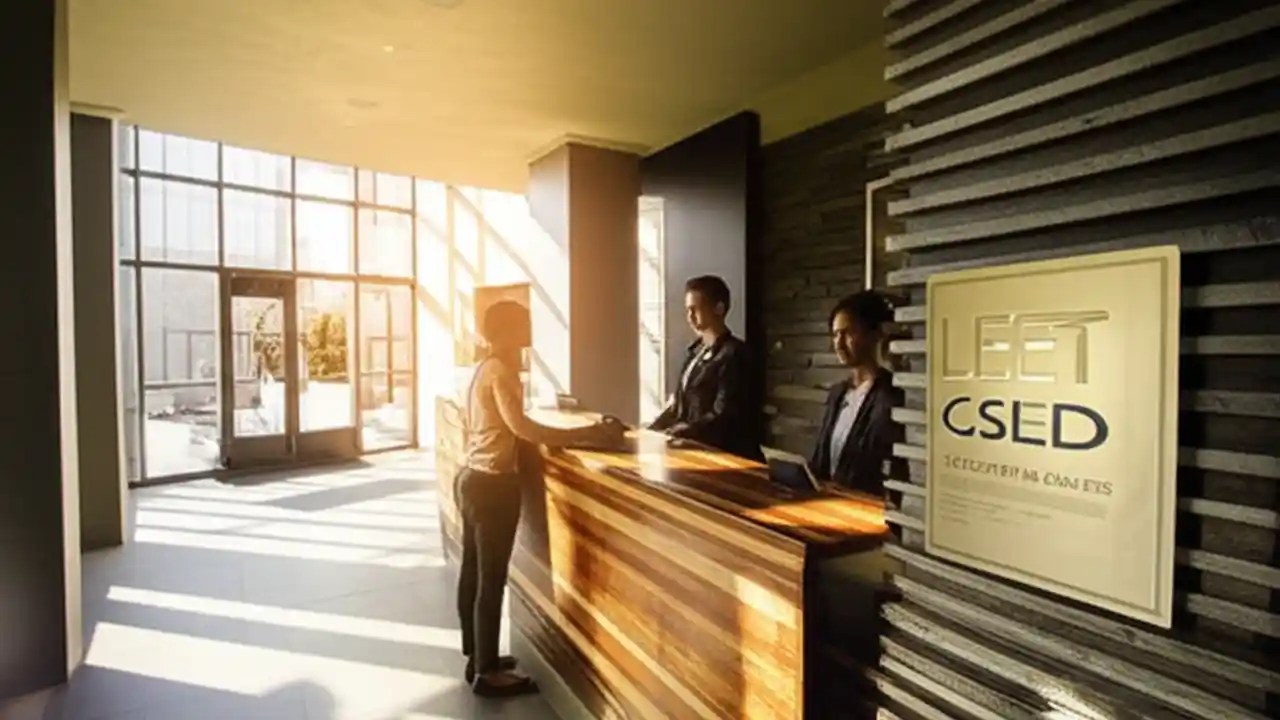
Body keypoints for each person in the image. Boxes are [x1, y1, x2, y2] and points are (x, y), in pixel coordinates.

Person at [457, 300, 622, 697]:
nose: (529, 331)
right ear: (508, 331)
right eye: (524, 323)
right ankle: (487, 672)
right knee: (491, 578)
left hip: (470, 477)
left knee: (473, 570)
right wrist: (585, 436)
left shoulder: (481, 368)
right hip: (494, 484)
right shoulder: (502, 370)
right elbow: (522, 428)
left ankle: (477, 656)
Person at [650, 275, 759, 459]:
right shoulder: (694, 352)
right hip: (692, 451)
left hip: (726, 457)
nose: (690, 316)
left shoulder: (735, 354)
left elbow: (725, 414)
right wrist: (651, 431)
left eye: (695, 309)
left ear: (719, 308)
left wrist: (683, 431)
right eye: (687, 310)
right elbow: (678, 405)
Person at [809, 291, 899, 495]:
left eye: (848, 333)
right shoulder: (838, 394)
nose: (839, 343)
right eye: (835, 334)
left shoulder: (889, 396)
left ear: (873, 335)